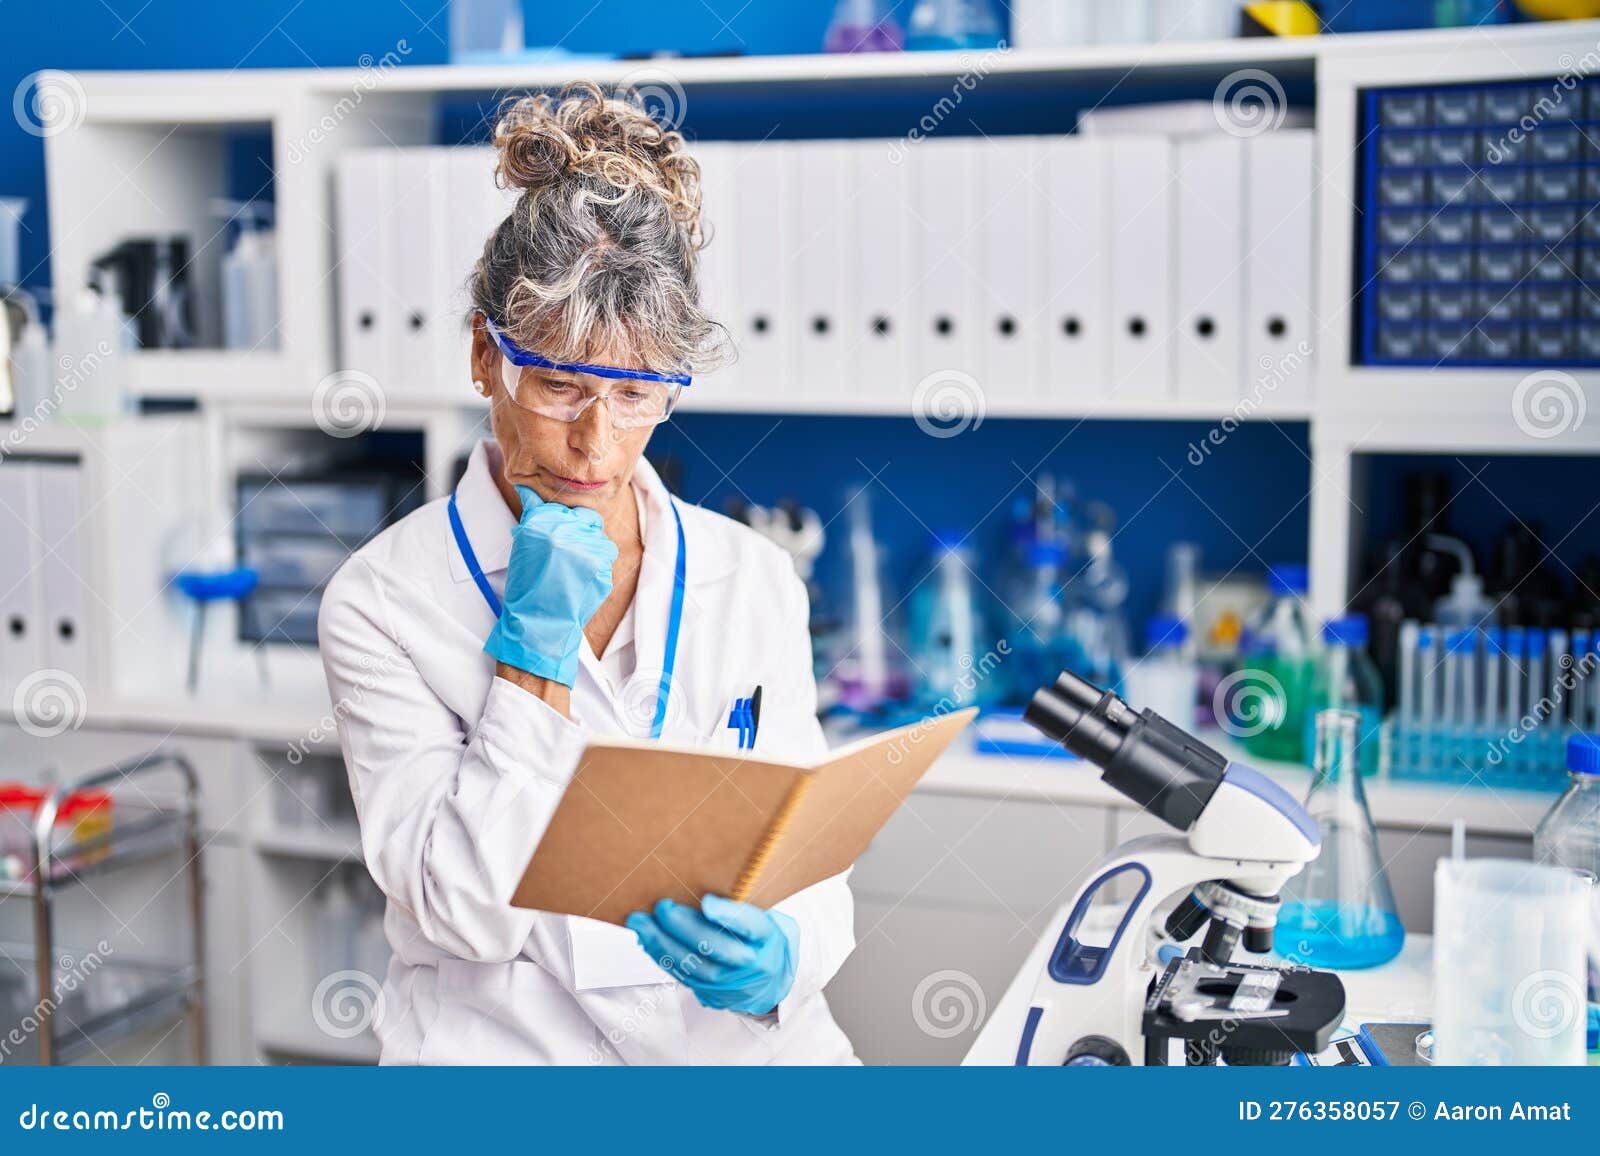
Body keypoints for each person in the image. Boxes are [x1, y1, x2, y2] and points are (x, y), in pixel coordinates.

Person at [318, 83, 858, 1065]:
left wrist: (787, 954)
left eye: (637, 394)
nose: (595, 442)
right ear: (485, 357)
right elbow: (463, 910)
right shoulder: (382, 601)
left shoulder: (753, 576)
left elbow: (808, 856)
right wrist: (530, 664)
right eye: (560, 386)